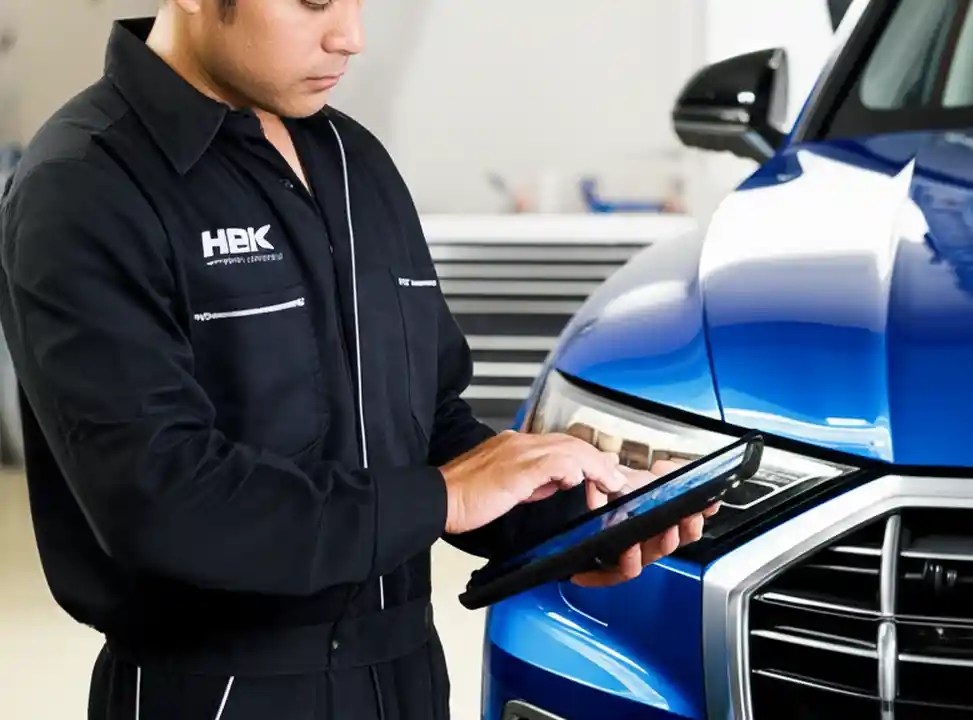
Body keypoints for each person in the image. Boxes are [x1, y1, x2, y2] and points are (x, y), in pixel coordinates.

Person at [0, 2, 713, 718]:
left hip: (406, 680)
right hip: (217, 692)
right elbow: (162, 502)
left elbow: (426, 427)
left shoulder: (354, 161)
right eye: (313, 1)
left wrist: (575, 521)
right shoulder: (82, 185)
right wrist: (447, 496)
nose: (351, 37)